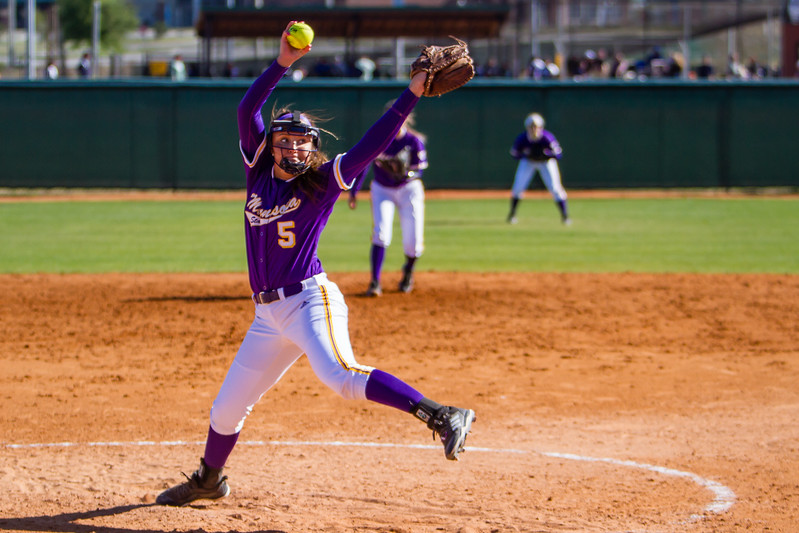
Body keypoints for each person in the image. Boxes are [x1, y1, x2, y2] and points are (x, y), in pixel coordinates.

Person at [154, 21, 476, 508]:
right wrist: (282, 62)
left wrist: (411, 93)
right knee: (226, 410)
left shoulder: (323, 181)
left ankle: (442, 414)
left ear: (313, 147)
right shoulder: (258, 173)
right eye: (285, 140)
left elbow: (371, 144)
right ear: (270, 145)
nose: (294, 148)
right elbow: (246, 109)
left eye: (302, 141)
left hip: (309, 301)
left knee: (341, 376)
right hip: (267, 316)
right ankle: (208, 479)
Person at [348, 102, 428, 296]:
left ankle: (408, 272)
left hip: (409, 189)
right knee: (381, 233)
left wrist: (405, 173)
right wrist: (354, 191)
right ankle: (375, 282)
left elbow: (419, 171)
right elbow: (364, 165)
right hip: (382, 189)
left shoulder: (413, 141)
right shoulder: (378, 139)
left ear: (406, 119)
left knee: (413, 242)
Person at [506, 112, 570, 225]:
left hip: (546, 162)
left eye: (536, 126)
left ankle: (565, 216)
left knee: (555, 188)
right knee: (518, 188)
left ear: (541, 127)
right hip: (528, 162)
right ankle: (512, 214)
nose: (534, 129)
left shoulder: (547, 138)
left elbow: (558, 154)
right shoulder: (523, 139)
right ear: (527, 127)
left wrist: (546, 154)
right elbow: (514, 154)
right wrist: (526, 155)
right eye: (531, 126)